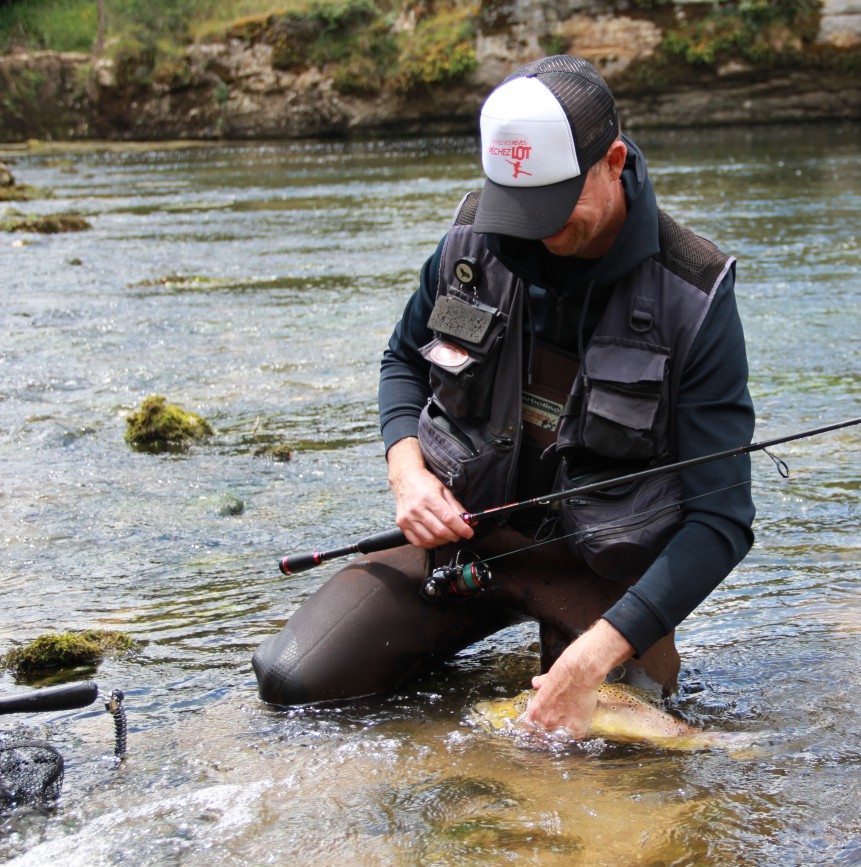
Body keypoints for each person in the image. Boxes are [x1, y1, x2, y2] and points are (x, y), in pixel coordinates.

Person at [252, 55, 755, 737]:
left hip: (605, 580)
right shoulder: (474, 241)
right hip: (468, 552)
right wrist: (408, 474)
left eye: (553, 205)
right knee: (296, 681)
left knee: (609, 758)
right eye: (518, 207)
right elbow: (402, 358)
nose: (535, 234)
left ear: (611, 161)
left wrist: (598, 653)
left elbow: (720, 521)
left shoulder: (693, 295)